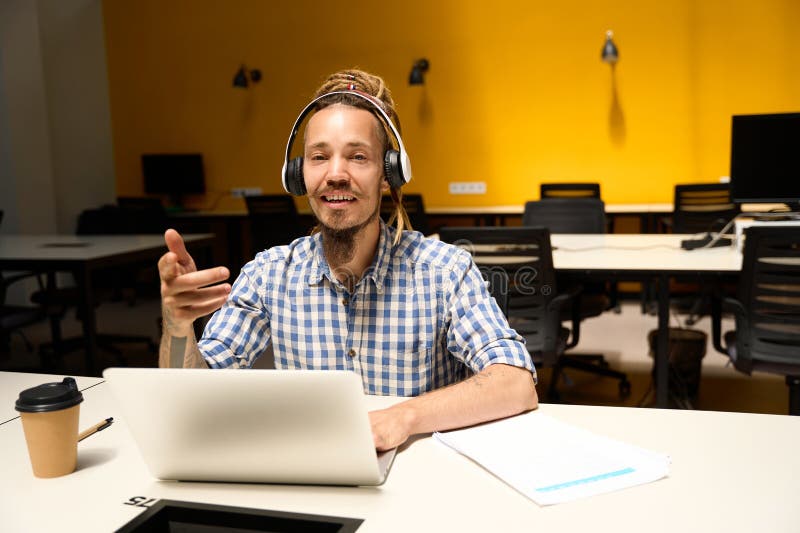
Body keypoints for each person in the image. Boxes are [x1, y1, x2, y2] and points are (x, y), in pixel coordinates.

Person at [158, 69, 538, 450]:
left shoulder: (445, 272)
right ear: (298, 175)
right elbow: (188, 399)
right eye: (319, 157)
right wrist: (178, 328)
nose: (335, 174)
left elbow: (515, 381)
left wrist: (403, 417)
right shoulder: (268, 275)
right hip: (314, 474)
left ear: (388, 174)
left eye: (358, 157)